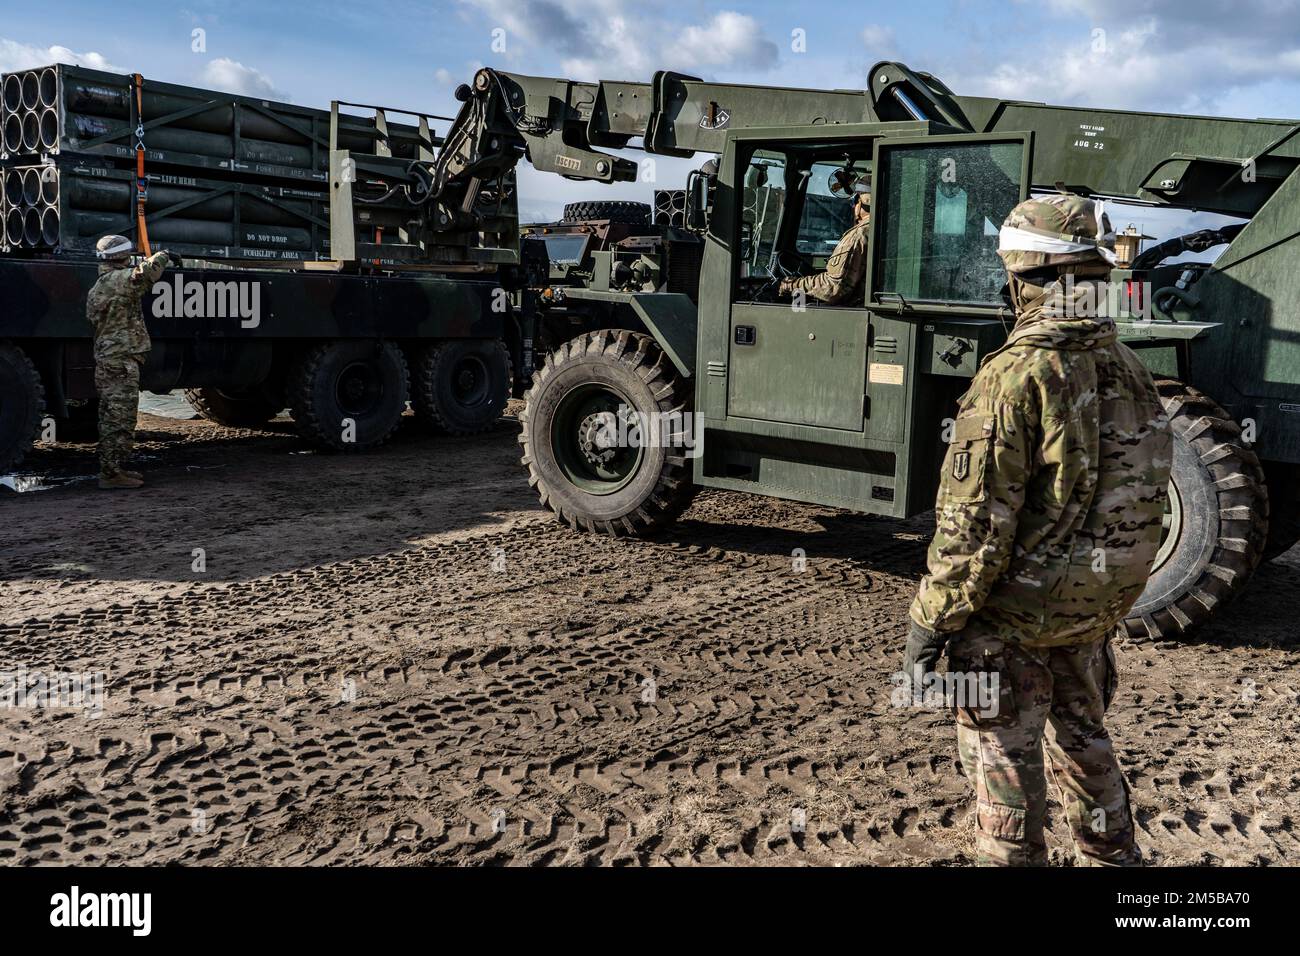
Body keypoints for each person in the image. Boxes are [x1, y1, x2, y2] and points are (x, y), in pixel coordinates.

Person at [903, 193, 1173, 866]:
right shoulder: (1130, 368)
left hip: (1015, 616)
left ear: (1023, 275)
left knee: (1001, 752)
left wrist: (930, 625)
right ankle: (1115, 858)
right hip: (1093, 608)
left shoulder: (1015, 375)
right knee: (1084, 735)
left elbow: (975, 525)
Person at [86, 235, 180, 490]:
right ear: (123, 256)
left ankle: (113, 469)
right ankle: (111, 474)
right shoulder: (116, 281)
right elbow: (144, 274)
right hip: (119, 361)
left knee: (112, 417)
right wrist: (165, 255)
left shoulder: (101, 284)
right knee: (120, 419)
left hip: (111, 359)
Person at [778, 189, 871, 305]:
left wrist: (792, 285)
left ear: (860, 203)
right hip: (863, 306)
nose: (853, 207)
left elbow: (834, 288)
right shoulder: (882, 231)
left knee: (797, 309)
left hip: (852, 311)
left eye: (854, 202)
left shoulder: (858, 236)